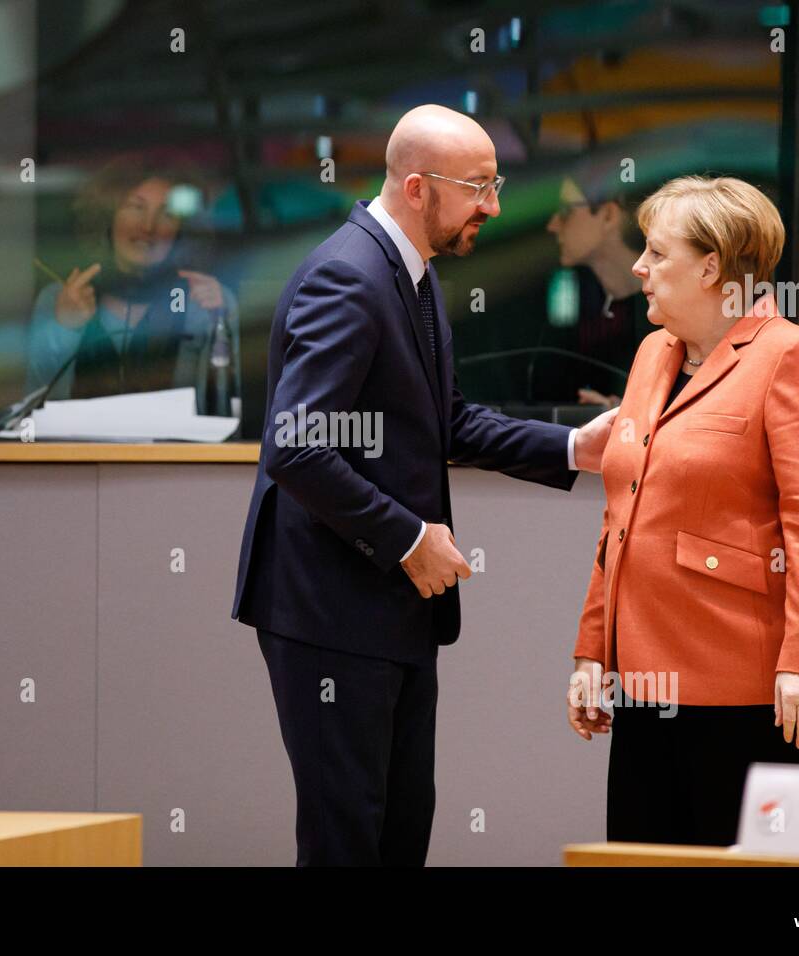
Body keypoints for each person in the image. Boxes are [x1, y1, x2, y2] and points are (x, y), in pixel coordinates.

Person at [233, 104, 618, 866]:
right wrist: (409, 539)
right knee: (350, 842)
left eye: (496, 183)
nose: (495, 206)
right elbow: (296, 446)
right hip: (331, 611)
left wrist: (577, 446)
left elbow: (445, 423)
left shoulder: (409, 272)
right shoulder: (349, 277)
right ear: (417, 187)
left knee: (400, 833)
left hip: (384, 609)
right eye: (479, 187)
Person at [565, 175, 799, 847]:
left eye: (656, 253)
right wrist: (592, 651)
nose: (638, 267)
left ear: (712, 267)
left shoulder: (793, 357)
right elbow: (621, 519)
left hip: (757, 687)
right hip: (649, 680)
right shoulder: (653, 354)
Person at [25, 163, 239, 415]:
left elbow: (226, 415)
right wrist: (64, 330)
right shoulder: (60, 298)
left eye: (167, 213)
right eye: (136, 208)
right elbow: (31, 411)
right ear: (107, 219)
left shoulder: (201, 300)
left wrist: (217, 322)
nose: (148, 227)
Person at [545, 175, 647, 409]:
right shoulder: (581, 301)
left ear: (609, 216)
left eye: (565, 212)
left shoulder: (666, 313)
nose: (552, 224)